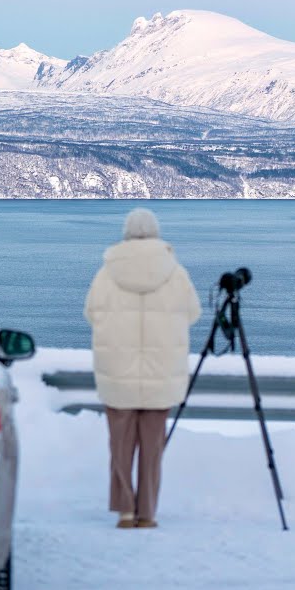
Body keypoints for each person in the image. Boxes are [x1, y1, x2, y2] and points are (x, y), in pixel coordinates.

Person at [84, 208, 202, 529]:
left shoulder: (107, 272)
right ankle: (147, 512)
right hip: (160, 376)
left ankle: (124, 510)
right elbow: (192, 313)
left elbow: (91, 312)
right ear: (156, 233)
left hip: (117, 374)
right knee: (153, 449)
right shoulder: (175, 272)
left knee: (120, 447)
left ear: (126, 232)